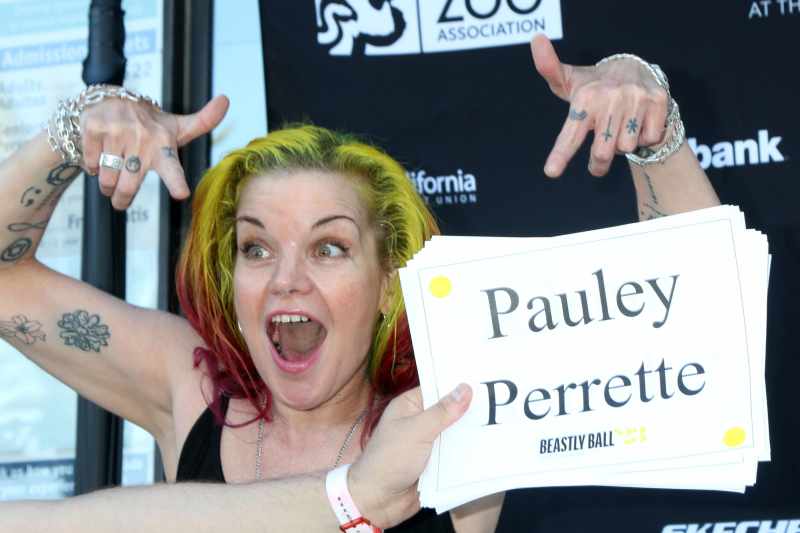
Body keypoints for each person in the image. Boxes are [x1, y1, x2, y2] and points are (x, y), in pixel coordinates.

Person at [0, 35, 719, 532]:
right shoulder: (190, 386)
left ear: (387, 286)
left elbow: (696, 321)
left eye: (329, 248)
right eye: (256, 248)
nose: (286, 280)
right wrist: (72, 130)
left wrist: (653, 128)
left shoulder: (449, 418)